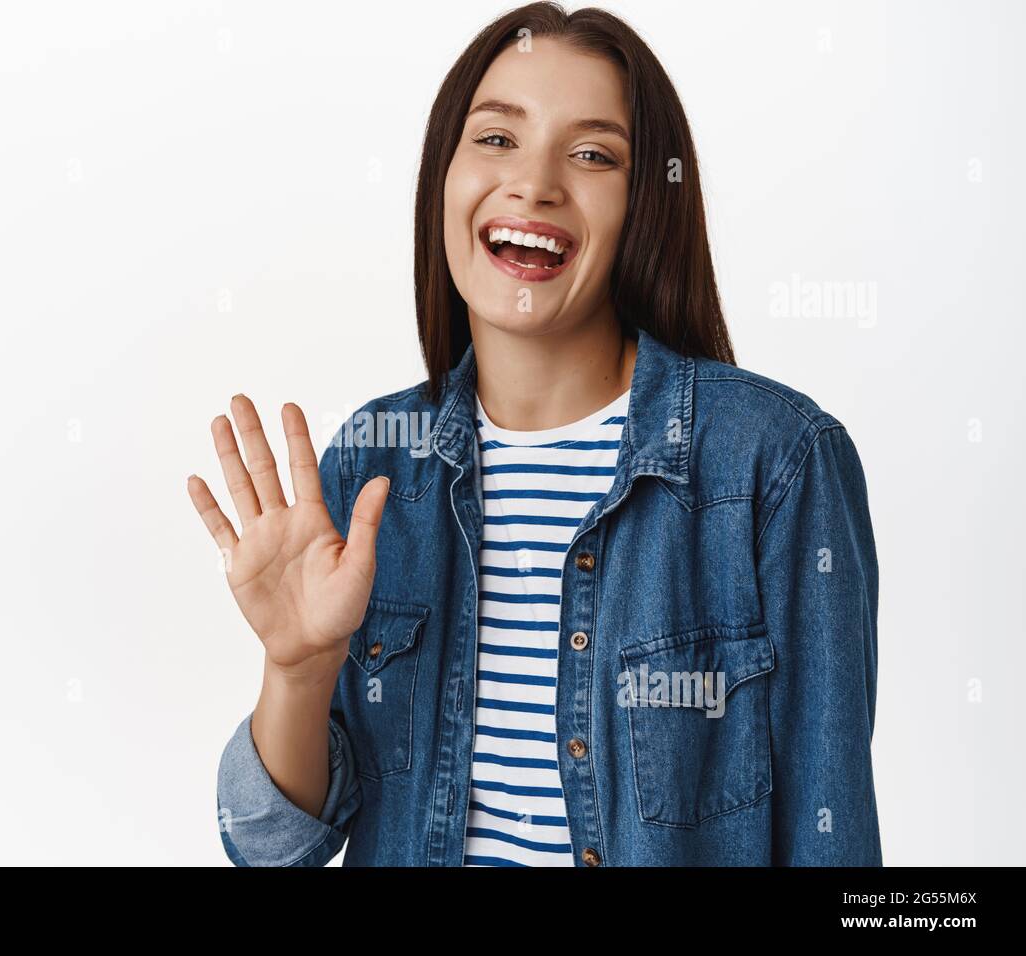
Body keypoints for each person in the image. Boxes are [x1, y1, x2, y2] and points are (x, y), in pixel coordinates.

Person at [189, 2, 881, 866]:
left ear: (646, 204)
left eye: (593, 154)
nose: (536, 183)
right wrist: (297, 670)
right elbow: (270, 847)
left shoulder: (774, 461)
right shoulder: (374, 461)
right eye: (496, 139)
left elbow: (835, 837)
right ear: (443, 177)